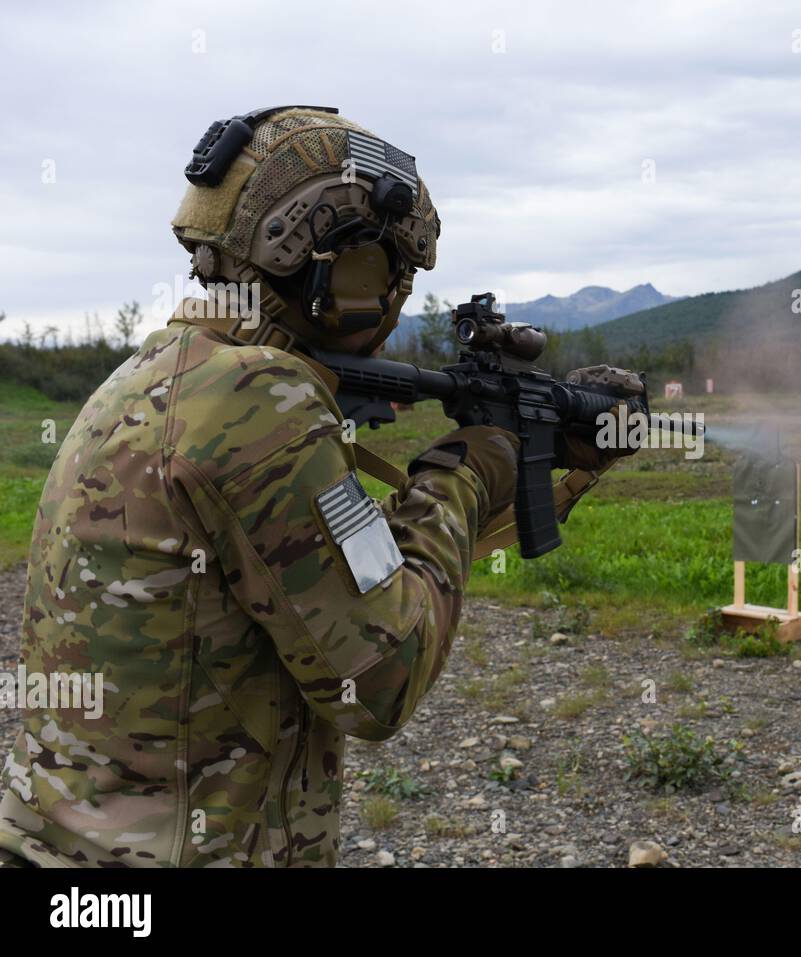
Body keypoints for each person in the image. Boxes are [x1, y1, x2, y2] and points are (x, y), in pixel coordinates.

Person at [0, 107, 527, 867]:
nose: (395, 298)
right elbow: (383, 677)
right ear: (336, 267)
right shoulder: (257, 398)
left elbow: (324, 566)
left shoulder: (153, 374)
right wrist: (464, 476)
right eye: (392, 271)